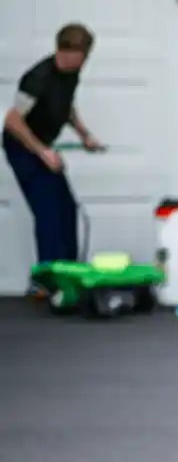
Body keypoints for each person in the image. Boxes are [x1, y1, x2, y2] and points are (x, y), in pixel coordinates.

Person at [3, 23, 103, 294]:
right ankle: (49, 282)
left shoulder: (71, 73)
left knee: (66, 207)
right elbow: (12, 120)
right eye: (82, 57)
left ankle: (70, 273)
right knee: (47, 210)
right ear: (67, 52)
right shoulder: (37, 77)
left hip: (42, 145)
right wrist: (42, 151)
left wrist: (84, 134)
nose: (84, 63)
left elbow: (65, 105)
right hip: (22, 146)